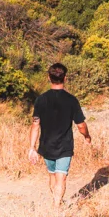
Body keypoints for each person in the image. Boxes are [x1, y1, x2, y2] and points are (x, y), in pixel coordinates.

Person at [28, 62, 89, 207]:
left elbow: (35, 124)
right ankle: (57, 206)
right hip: (64, 146)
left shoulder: (40, 100)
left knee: (52, 175)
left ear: (49, 78)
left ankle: (56, 204)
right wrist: (87, 136)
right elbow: (81, 125)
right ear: (65, 78)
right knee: (61, 178)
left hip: (46, 145)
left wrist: (32, 147)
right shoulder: (72, 100)